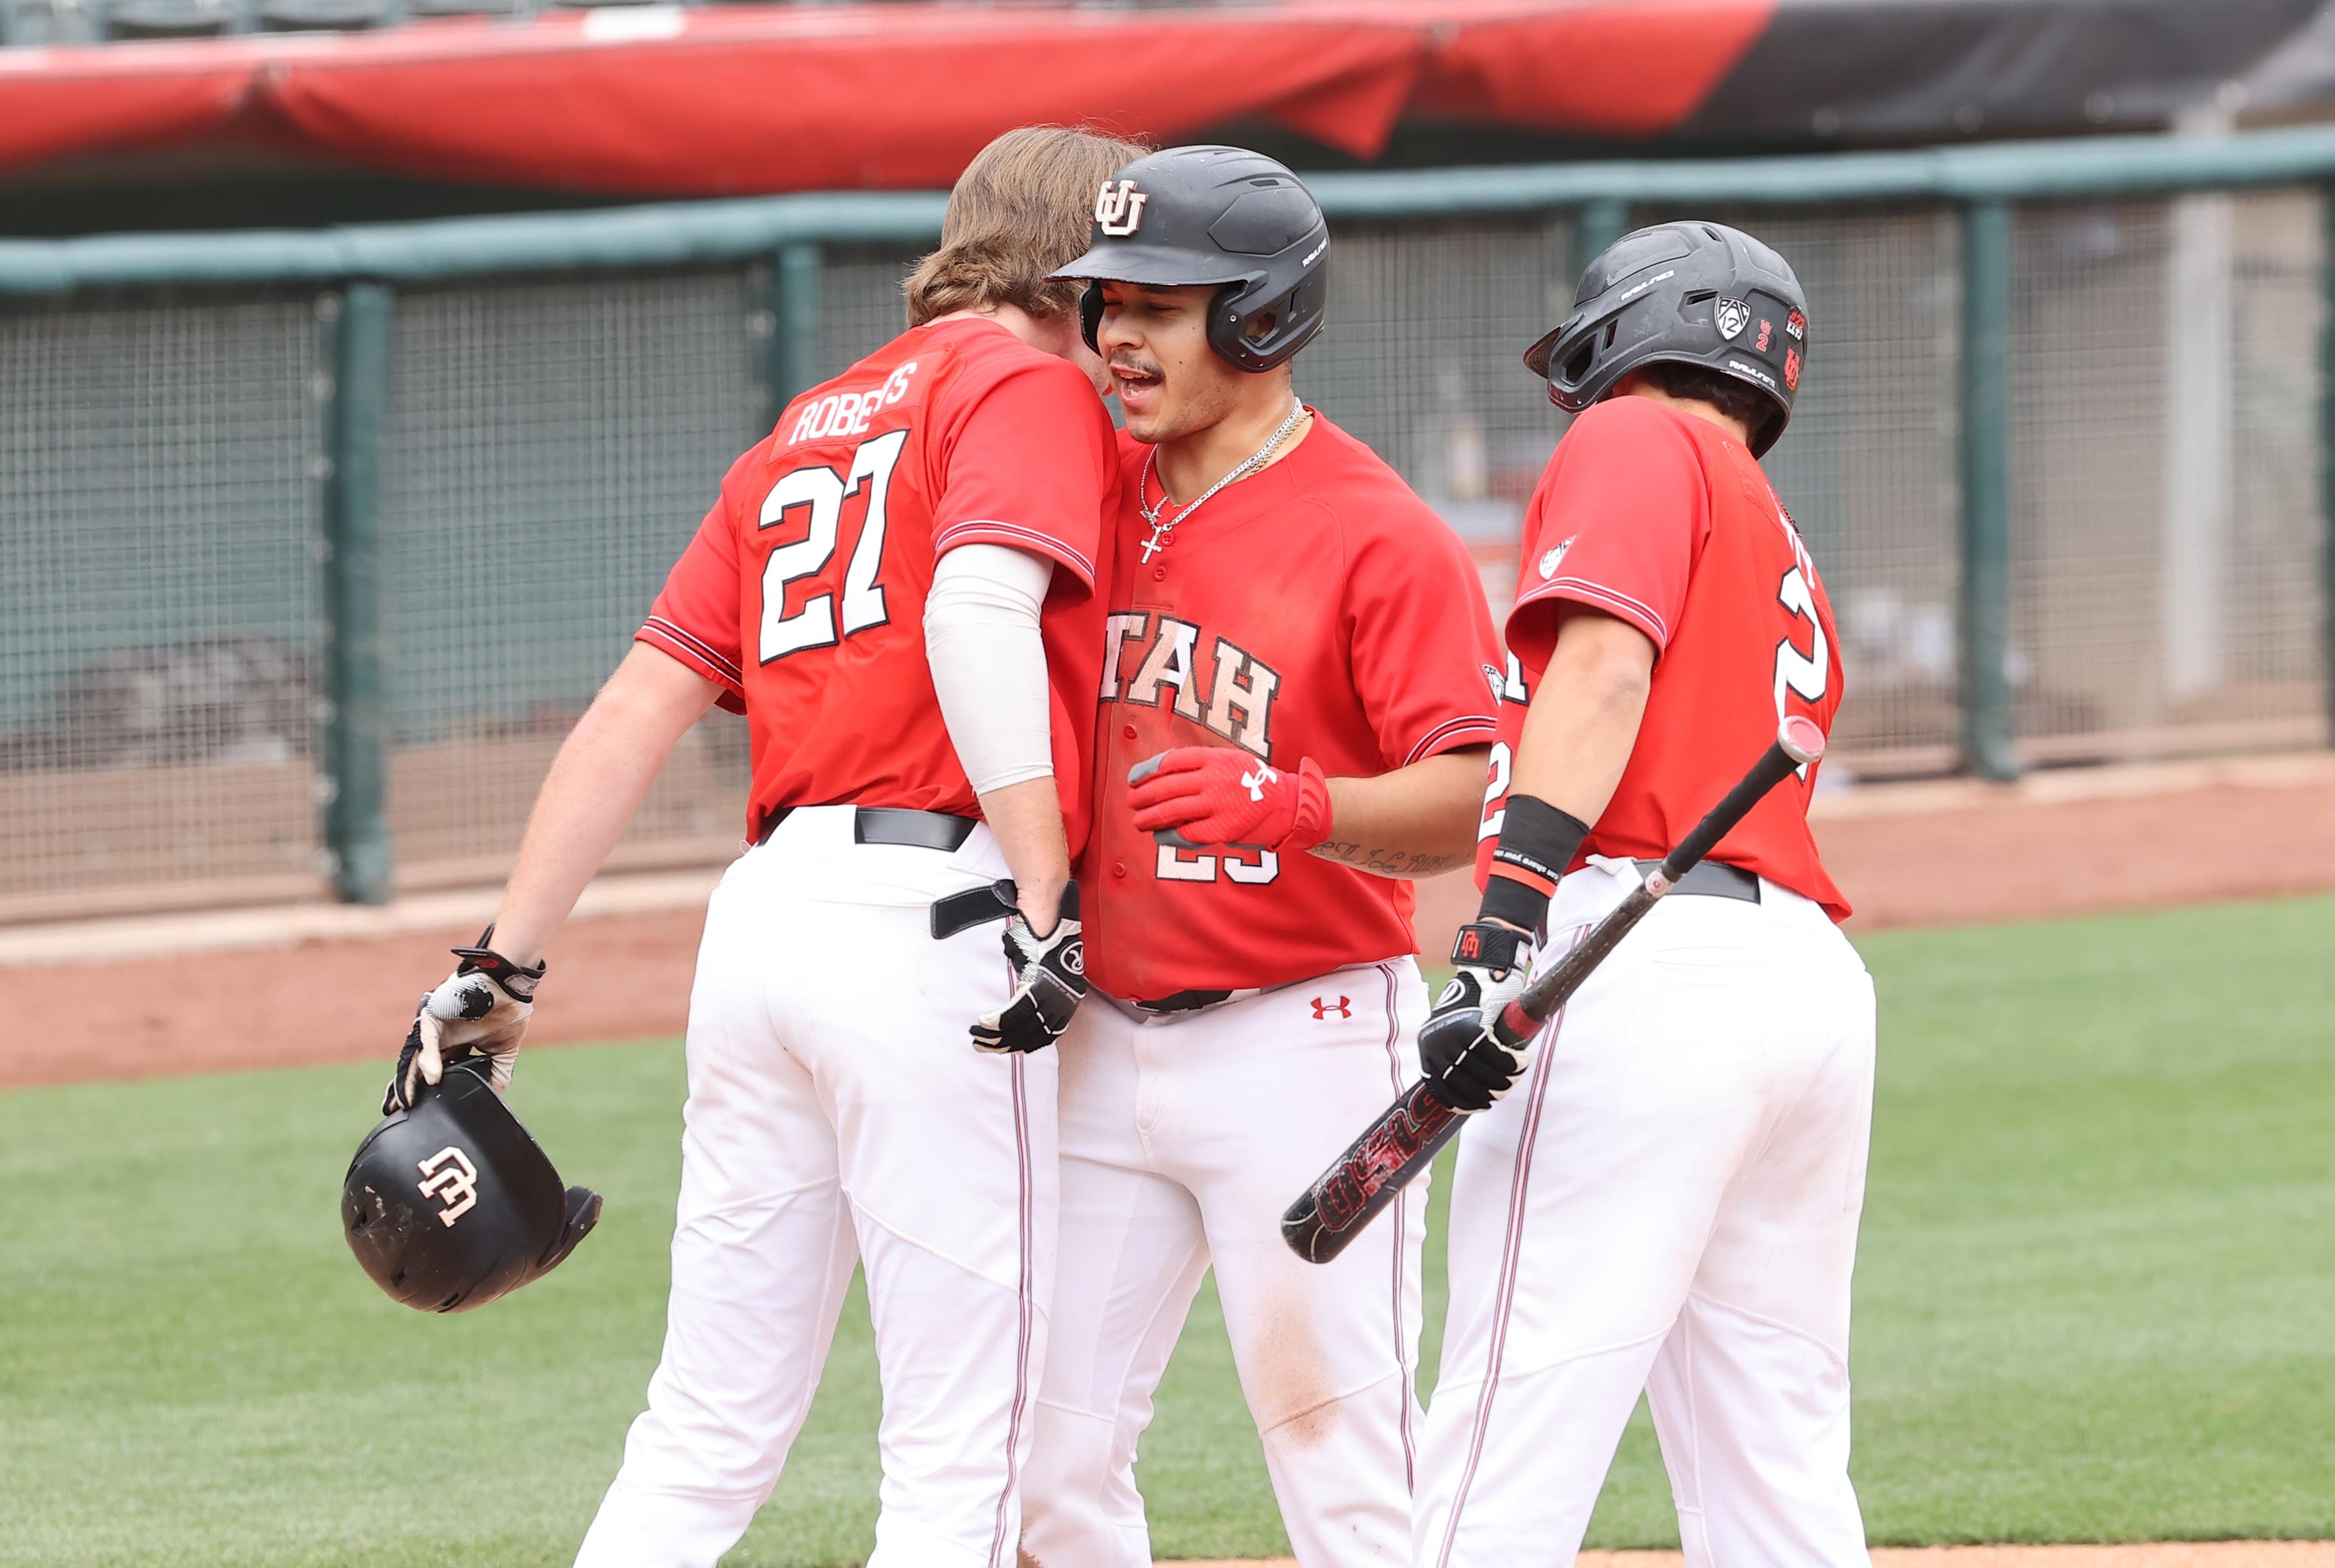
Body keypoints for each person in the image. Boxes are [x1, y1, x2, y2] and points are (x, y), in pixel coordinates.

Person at [380, 123, 1148, 1568]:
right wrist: (1045, 887)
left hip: (767, 921)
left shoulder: (807, 425)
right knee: (961, 1442)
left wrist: (503, 965)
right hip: (936, 913)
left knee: (706, 1426)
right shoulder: (1027, 385)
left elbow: (634, 707)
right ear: (1078, 268)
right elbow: (977, 611)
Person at [1015, 145, 1505, 1568]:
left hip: (1303, 1039)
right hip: (1095, 1040)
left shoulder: (1377, 531)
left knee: (1342, 1461)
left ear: (1261, 316)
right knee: (1039, 1459)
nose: (1117, 336)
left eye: (1160, 308)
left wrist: (1297, 806)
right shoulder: (1075, 489)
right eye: (1108, 303)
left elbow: (1468, 793)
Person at [1412, 220, 1875, 1567]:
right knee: (1775, 1459)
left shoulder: (1633, 436)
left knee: (1507, 1428)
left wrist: (1497, 937)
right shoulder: (1774, 529)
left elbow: (1604, 674)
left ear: (1631, 332)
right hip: (1799, 984)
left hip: (1638, 959)